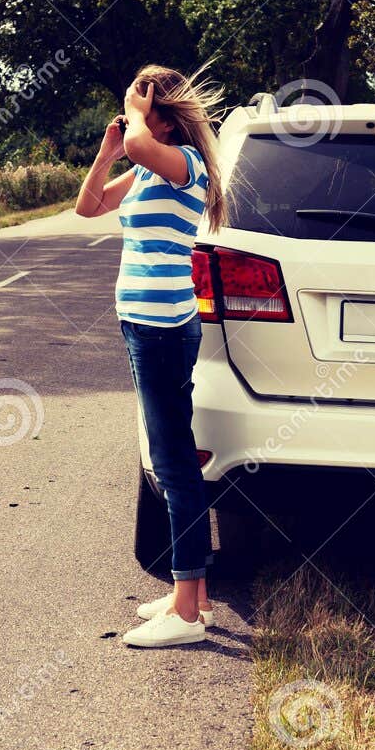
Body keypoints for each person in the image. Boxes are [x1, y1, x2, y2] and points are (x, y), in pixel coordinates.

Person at [75, 64, 227, 647]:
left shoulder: (184, 165)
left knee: (173, 464)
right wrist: (110, 150)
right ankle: (193, 595)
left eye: (142, 101)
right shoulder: (145, 169)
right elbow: (87, 208)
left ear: (164, 115)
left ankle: (186, 616)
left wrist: (134, 120)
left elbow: (144, 138)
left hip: (163, 328)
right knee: (174, 458)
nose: (132, 112)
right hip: (145, 326)